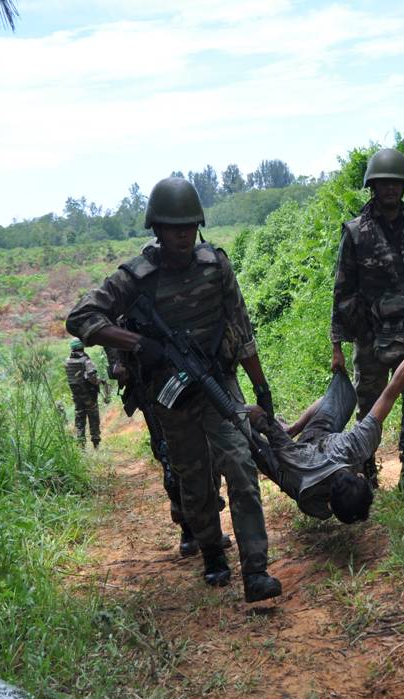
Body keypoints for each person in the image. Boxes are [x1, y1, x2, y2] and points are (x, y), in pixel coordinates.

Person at [66, 176, 281, 603]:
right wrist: (138, 344)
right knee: (193, 477)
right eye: (172, 227)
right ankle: (211, 552)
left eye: (188, 226)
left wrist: (260, 386)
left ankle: (256, 570)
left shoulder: (216, 264)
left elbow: (241, 329)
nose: (181, 235)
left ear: (198, 226)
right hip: (171, 394)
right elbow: (82, 317)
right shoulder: (136, 278)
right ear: (157, 229)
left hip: (217, 382)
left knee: (240, 463)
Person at [330, 148, 404, 497]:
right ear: (372, 187)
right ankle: (367, 468)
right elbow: (342, 288)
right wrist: (338, 346)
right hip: (370, 335)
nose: (390, 189)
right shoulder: (356, 232)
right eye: (383, 183)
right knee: (369, 404)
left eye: (396, 183)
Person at [248, 333, 404, 523]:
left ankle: (287, 429)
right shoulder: (315, 505)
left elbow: (390, 392)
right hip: (300, 461)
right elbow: (390, 393)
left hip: (298, 459)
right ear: (330, 504)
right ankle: (280, 430)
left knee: (253, 436)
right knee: (260, 445)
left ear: (359, 475)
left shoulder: (352, 447)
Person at [105, 342, 231, 558]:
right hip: (153, 393)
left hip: (189, 381)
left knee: (206, 453)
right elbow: (117, 367)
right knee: (171, 459)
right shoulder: (121, 316)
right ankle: (188, 530)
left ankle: (209, 528)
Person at [64, 339, 102, 448]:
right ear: (82, 347)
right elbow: (92, 378)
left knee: (79, 418)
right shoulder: (86, 360)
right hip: (89, 394)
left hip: (76, 395)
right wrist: (100, 381)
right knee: (93, 417)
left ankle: (81, 444)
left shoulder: (67, 361)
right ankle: (96, 443)